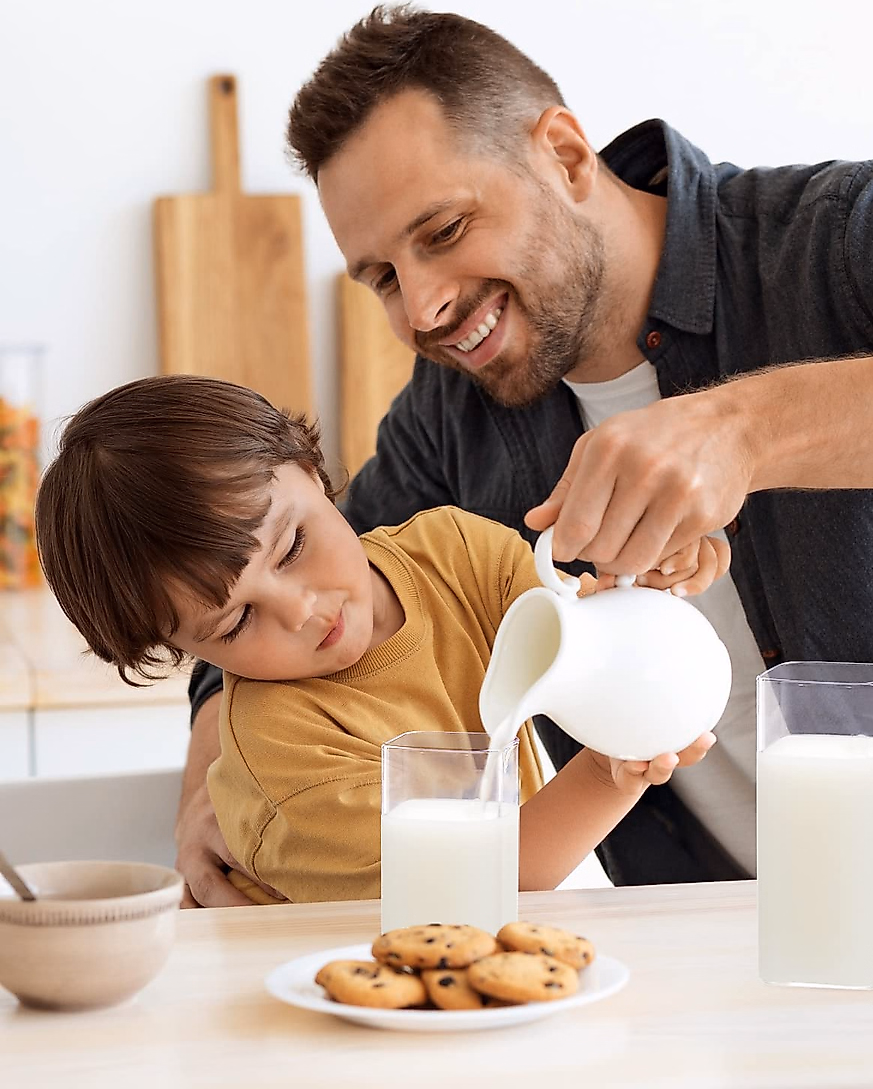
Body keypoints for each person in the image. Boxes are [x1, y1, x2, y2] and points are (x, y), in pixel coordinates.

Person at [179, 4, 873, 905]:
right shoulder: (452, 421)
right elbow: (283, 593)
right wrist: (204, 782)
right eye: (381, 278)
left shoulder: (844, 236)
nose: (424, 307)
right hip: (743, 982)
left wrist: (744, 431)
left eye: (443, 231)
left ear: (567, 155)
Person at [34, 375, 714, 904]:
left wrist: (643, 580)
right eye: (237, 623)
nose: (300, 611)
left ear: (312, 469)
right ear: (188, 652)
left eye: (293, 545)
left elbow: (582, 638)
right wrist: (607, 770)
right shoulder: (284, 748)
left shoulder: (454, 552)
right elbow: (491, 879)